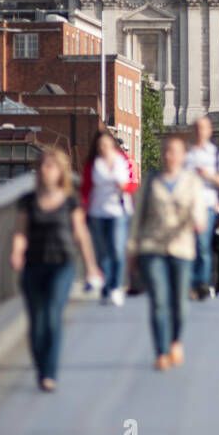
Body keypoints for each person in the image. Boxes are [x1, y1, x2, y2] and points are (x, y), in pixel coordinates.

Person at [10, 148, 102, 391]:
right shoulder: (28, 200)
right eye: (41, 165)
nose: (44, 170)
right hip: (33, 265)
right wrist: (17, 252)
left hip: (62, 264)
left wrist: (91, 266)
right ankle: (41, 367)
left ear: (60, 171)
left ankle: (49, 372)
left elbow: (81, 234)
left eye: (50, 165)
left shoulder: (70, 201)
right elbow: (21, 232)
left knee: (52, 315)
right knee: (36, 323)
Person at [127, 136, 205, 371]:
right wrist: (132, 250)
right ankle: (161, 351)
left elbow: (200, 215)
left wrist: (196, 221)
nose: (170, 156)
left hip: (181, 247)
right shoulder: (151, 182)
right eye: (167, 151)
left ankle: (175, 341)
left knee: (180, 303)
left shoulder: (192, 183)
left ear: (183, 156)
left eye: (175, 151)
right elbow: (136, 219)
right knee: (159, 300)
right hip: (153, 246)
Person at [81, 129, 138, 307]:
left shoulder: (123, 162)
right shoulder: (93, 164)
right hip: (98, 211)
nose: (104, 148)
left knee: (117, 249)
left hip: (119, 212)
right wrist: (82, 210)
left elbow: (133, 184)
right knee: (102, 251)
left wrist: (125, 186)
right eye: (100, 146)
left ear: (112, 146)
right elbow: (85, 188)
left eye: (106, 145)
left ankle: (115, 286)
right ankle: (106, 287)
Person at [185, 116, 219, 300]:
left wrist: (209, 176)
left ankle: (201, 283)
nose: (199, 132)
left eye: (203, 128)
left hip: (206, 206)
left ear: (209, 131)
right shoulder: (186, 155)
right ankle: (191, 283)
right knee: (189, 246)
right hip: (187, 207)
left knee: (203, 246)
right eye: (196, 128)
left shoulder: (216, 154)